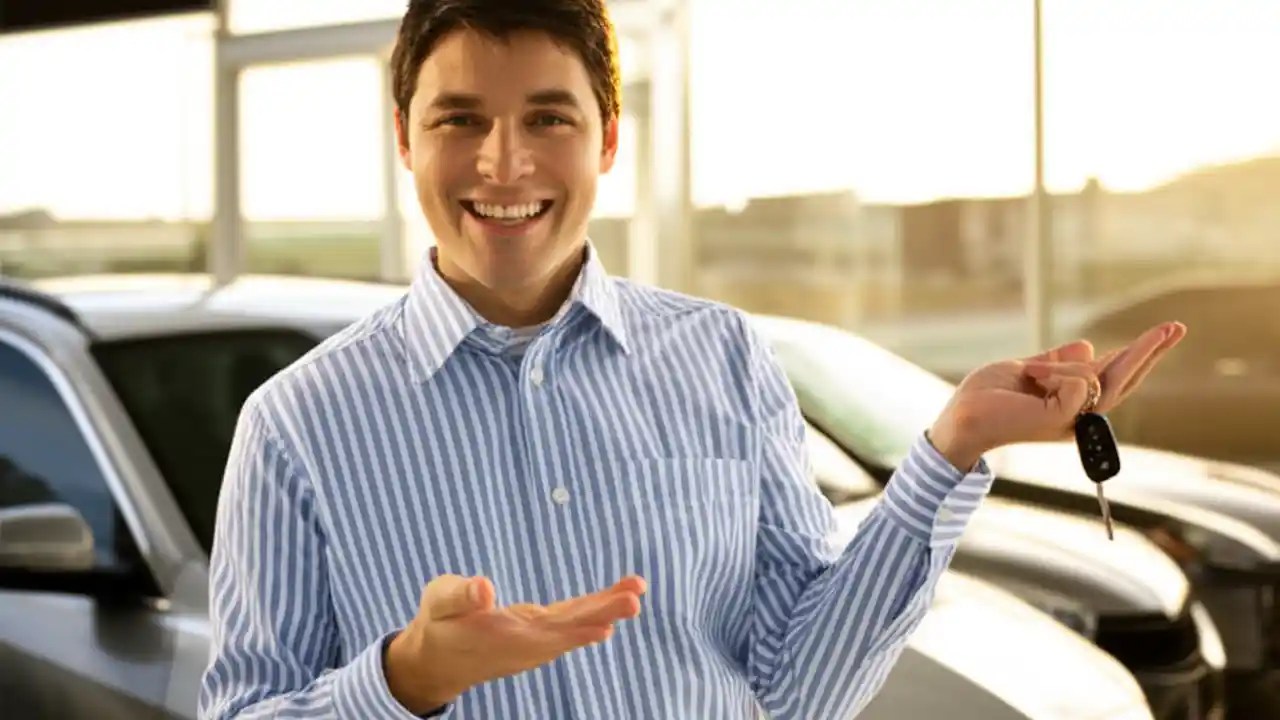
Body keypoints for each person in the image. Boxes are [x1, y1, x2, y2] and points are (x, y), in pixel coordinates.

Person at [197, 1, 1186, 718]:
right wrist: (404, 678)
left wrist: (950, 451)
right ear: (404, 142)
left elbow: (796, 687)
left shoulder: (722, 357)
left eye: (549, 117)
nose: (504, 162)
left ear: (607, 140)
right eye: (459, 119)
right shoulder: (296, 424)